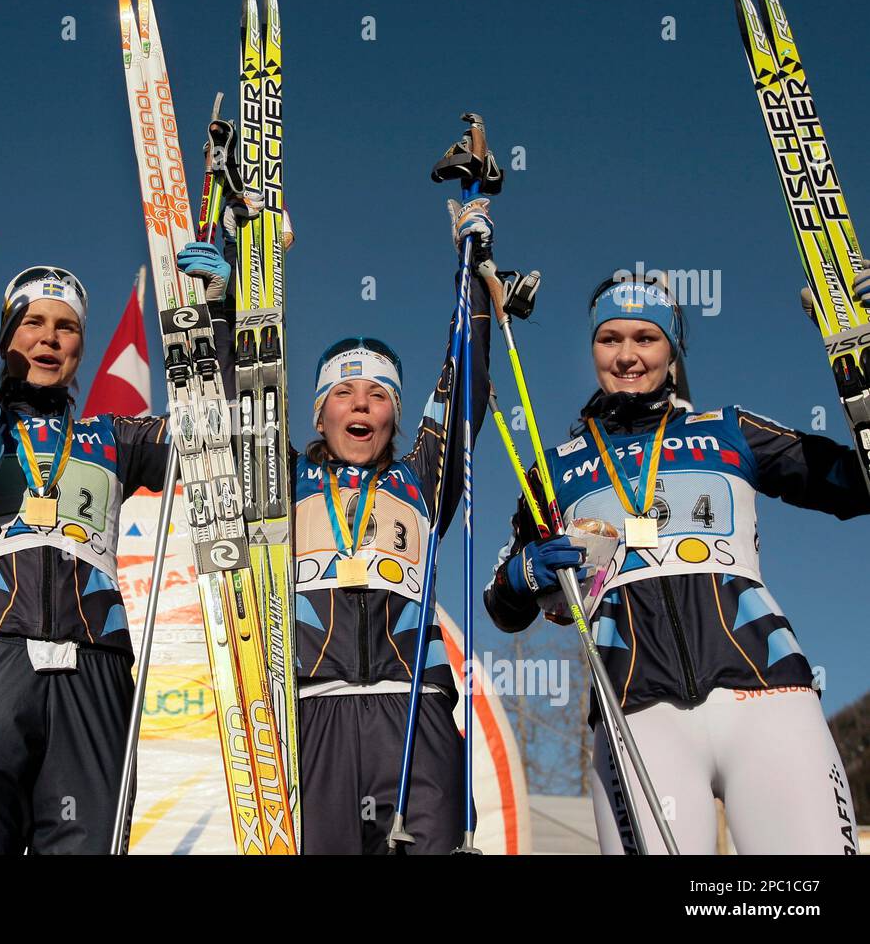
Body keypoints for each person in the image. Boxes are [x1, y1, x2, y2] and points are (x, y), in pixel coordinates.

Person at [483, 271, 865, 855]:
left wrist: (857, 363)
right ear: (593, 349)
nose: (628, 355)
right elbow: (502, 605)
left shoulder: (729, 432)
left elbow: (856, 481)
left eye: (646, 338)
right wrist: (525, 573)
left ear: (672, 351)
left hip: (767, 697)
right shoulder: (554, 467)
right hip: (635, 711)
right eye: (610, 339)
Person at [0, 244, 231, 854]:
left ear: (81, 347)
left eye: (65, 327)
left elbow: (208, 435)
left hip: (94, 660)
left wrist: (215, 321)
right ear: (7, 338)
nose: (49, 339)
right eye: (32, 324)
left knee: (89, 840)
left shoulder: (113, 436)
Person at [291, 198, 492, 854]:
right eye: (343, 395)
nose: (360, 405)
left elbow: (462, 384)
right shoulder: (283, 481)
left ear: (394, 417)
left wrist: (476, 280)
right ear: (319, 415)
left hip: (415, 709)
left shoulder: (420, 478)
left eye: (377, 395)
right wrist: (231, 295)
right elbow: (239, 401)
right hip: (312, 708)